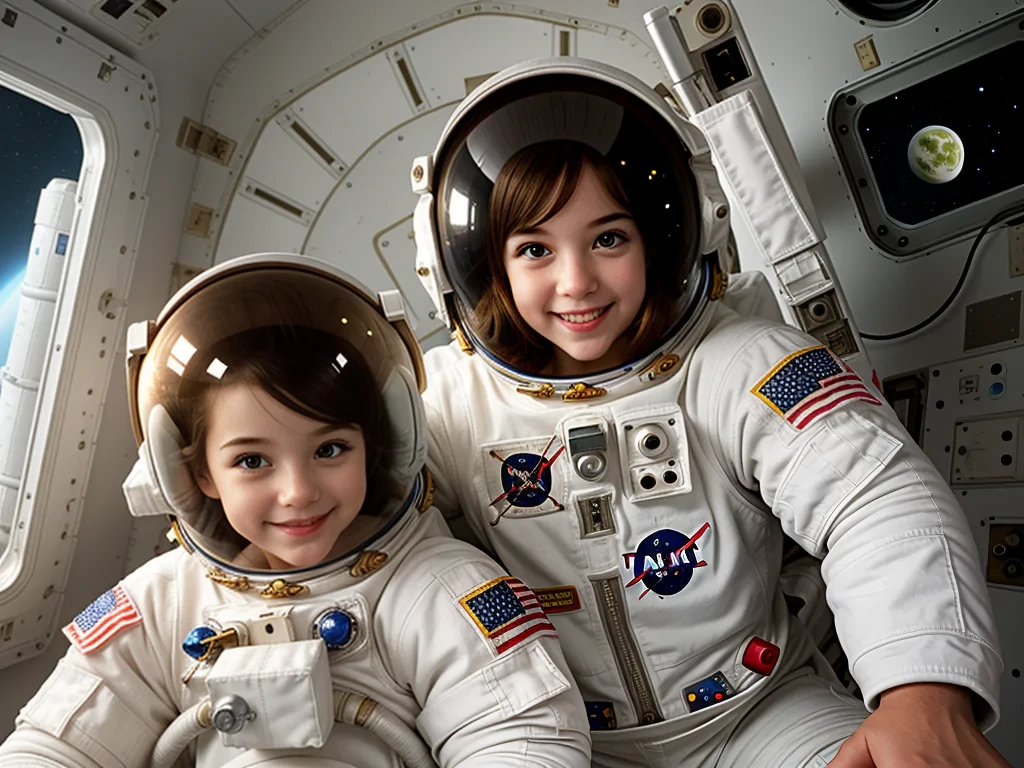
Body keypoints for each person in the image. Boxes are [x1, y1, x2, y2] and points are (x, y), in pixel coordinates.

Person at [411, 58, 1009, 767]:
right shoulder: (448, 404)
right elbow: (376, 543)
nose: (576, 282)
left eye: (608, 238)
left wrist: (921, 690)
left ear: (658, 242)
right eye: (535, 249)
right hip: (562, 737)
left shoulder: (739, 360)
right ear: (487, 267)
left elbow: (871, 493)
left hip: (760, 712)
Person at [0, 254, 591, 768]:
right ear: (197, 474)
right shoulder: (161, 603)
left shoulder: (439, 587)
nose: (298, 491)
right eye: (253, 461)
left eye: (329, 449)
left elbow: (526, 741)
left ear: (379, 446)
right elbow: (54, 747)